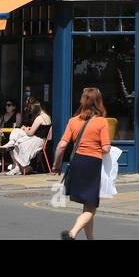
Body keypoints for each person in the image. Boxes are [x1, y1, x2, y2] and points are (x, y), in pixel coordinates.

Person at [54, 87, 111, 241]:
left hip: (77, 162)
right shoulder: (101, 122)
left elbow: (61, 146)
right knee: (91, 206)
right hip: (92, 164)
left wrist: (56, 165)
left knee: (87, 205)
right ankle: (72, 233)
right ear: (98, 102)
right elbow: (105, 148)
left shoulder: (73, 121)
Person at [0, 100, 51, 174]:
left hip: (36, 140)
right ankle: (11, 144)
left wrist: (25, 129)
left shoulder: (39, 118)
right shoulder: (46, 117)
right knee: (17, 132)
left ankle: (17, 166)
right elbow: (39, 130)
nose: (31, 111)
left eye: (31, 109)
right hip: (40, 140)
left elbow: (30, 133)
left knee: (16, 142)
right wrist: (28, 129)